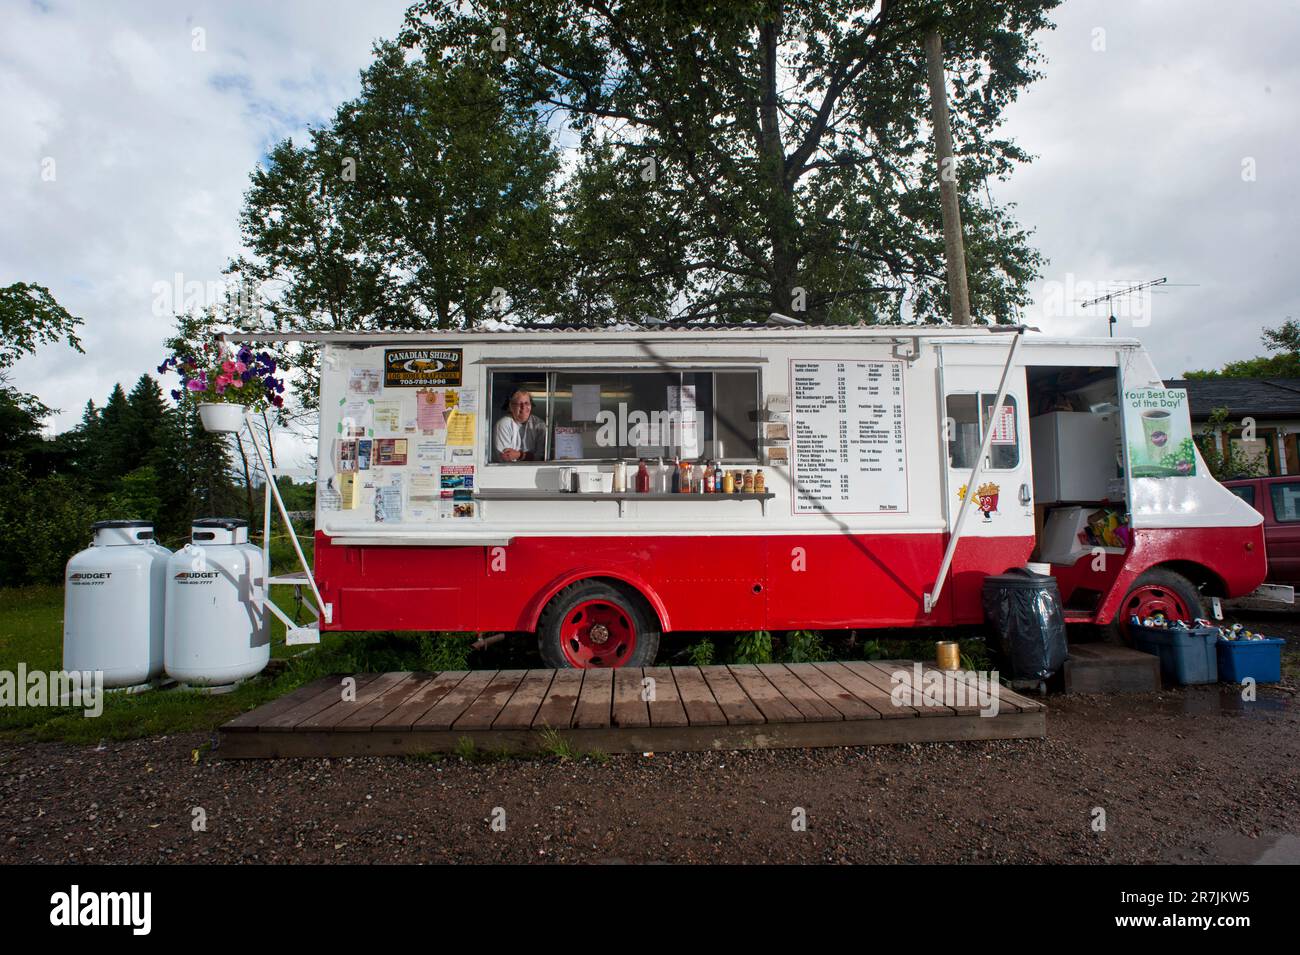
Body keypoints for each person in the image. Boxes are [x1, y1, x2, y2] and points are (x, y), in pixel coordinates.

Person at [494, 389, 546, 462]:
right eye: (519, 404)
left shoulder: (539, 424)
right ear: (511, 407)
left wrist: (519, 455)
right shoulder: (503, 424)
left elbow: (541, 457)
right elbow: (506, 458)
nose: (523, 407)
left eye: (526, 403)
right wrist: (530, 456)